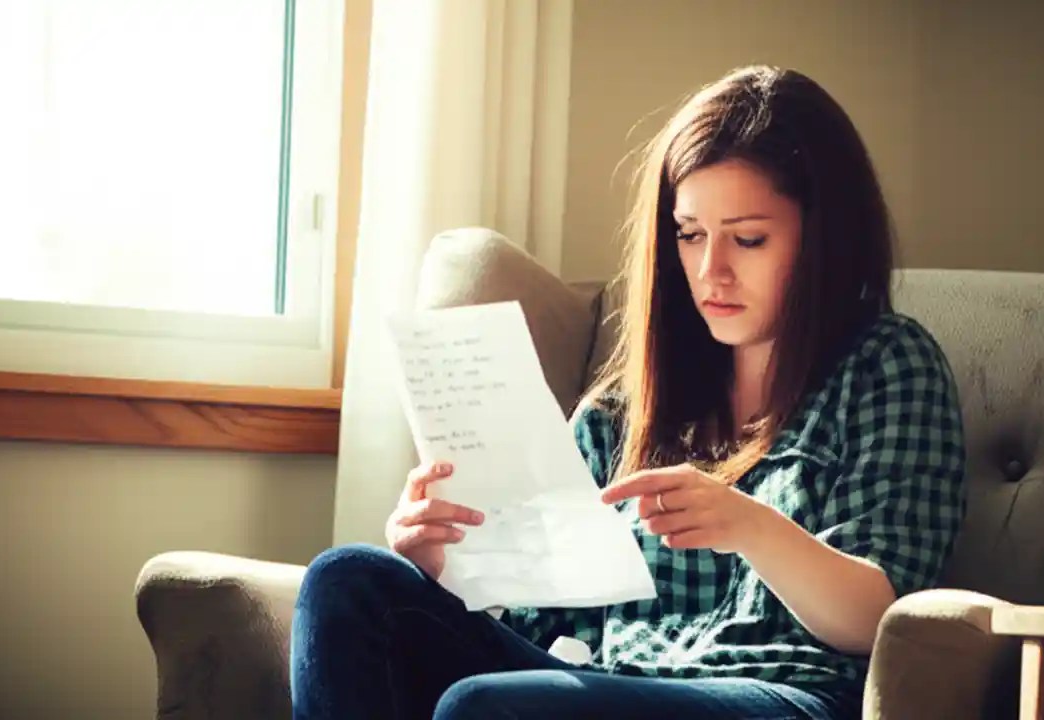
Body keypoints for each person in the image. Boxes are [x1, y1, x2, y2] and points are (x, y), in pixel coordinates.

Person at [290, 65, 967, 720]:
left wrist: (748, 525)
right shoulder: (623, 409)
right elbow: (538, 621)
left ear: (825, 237)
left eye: (749, 239)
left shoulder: (886, 365)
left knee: (487, 706)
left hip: (781, 691)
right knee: (346, 579)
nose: (712, 270)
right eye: (690, 235)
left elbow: (880, 615)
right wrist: (441, 564)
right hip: (604, 682)